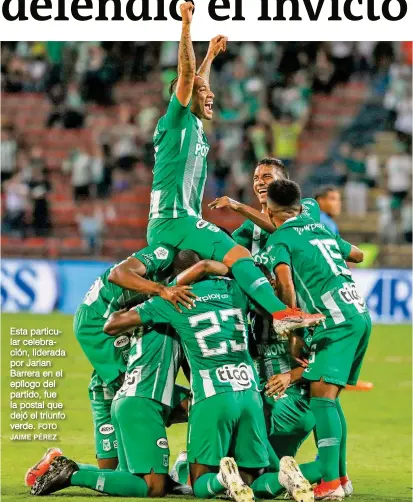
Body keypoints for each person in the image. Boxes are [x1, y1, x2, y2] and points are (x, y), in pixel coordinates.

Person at [31, 250, 314, 502]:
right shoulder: (233, 293)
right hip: (210, 393)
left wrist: (158, 292)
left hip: (168, 395)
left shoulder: (168, 303)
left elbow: (111, 325)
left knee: (183, 482)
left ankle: (200, 472)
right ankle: (280, 475)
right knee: (158, 485)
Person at [146, 3, 325, 336]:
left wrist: (211, 57)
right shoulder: (175, 120)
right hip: (173, 221)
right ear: (182, 97)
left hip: (177, 222)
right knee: (237, 253)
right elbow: (187, 78)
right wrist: (186, 24)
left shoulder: (195, 124)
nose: (210, 93)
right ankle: (280, 315)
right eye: (202, 92)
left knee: (221, 269)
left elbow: (196, 81)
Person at [25, 245, 195, 484]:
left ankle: (60, 466)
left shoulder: (161, 269)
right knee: (183, 403)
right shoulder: (165, 262)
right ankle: (188, 463)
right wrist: (161, 290)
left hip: (101, 361)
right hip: (98, 325)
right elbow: (118, 275)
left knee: (115, 473)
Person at [264, 179, 371, 501]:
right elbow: (358, 254)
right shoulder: (318, 227)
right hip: (358, 314)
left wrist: (292, 327)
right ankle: (339, 477)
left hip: (334, 321)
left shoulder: (280, 240)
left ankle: (329, 482)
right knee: (330, 399)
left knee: (321, 400)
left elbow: (285, 285)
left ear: (269, 210)